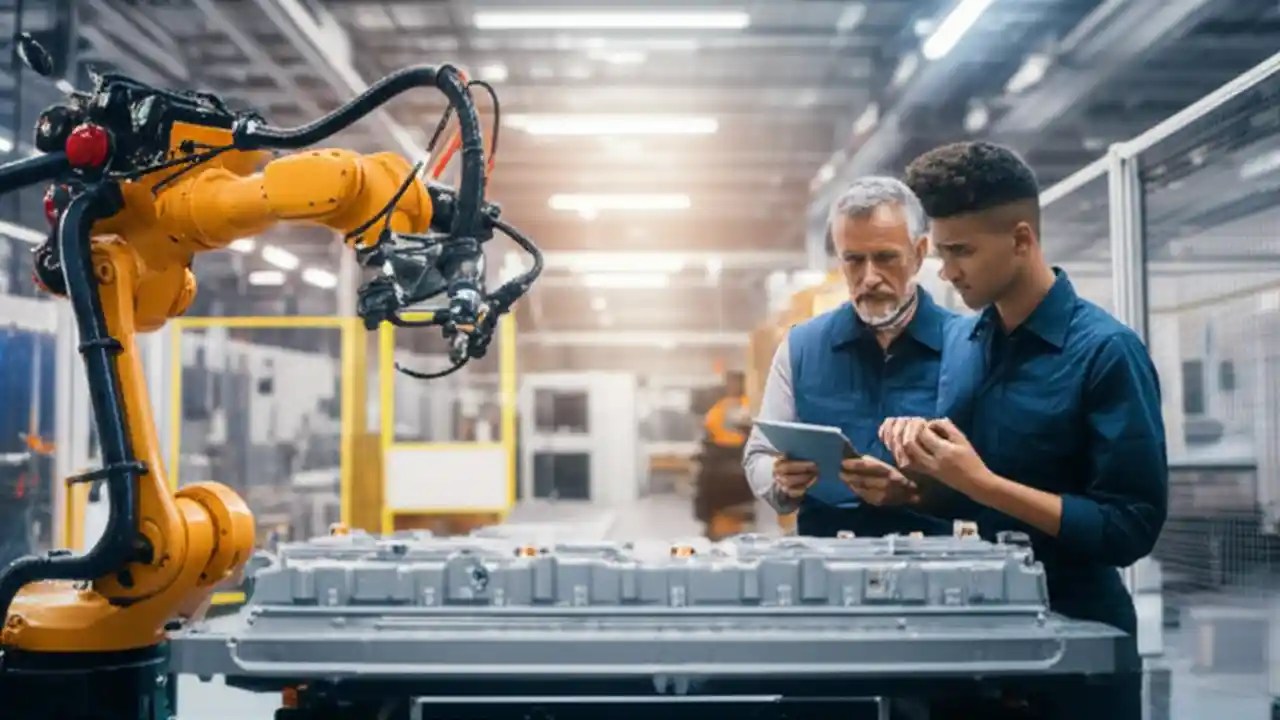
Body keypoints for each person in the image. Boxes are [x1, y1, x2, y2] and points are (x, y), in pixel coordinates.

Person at [882, 141, 1166, 718]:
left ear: (1021, 240)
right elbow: (966, 494)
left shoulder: (1106, 352)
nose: (947, 270)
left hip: (1076, 650)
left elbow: (1129, 528)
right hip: (976, 636)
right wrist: (912, 487)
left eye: (961, 251)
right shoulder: (964, 342)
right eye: (941, 251)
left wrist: (982, 482)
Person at [742, 176, 955, 538]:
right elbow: (758, 455)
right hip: (825, 571)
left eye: (885, 258)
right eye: (854, 260)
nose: (869, 277)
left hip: (934, 570)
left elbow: (995, 473)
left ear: (919, 254)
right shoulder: (801, 348)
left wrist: (915, 493)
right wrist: (780, 479)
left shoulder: (967, 345)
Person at [696, 371, 757, 539]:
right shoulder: (718, 406)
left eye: (735, 382)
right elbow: (709, 428)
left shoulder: (749, 405)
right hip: (717, 461)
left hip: (738, 460)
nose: (732, 386)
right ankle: (714, 529)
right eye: (729, 382)